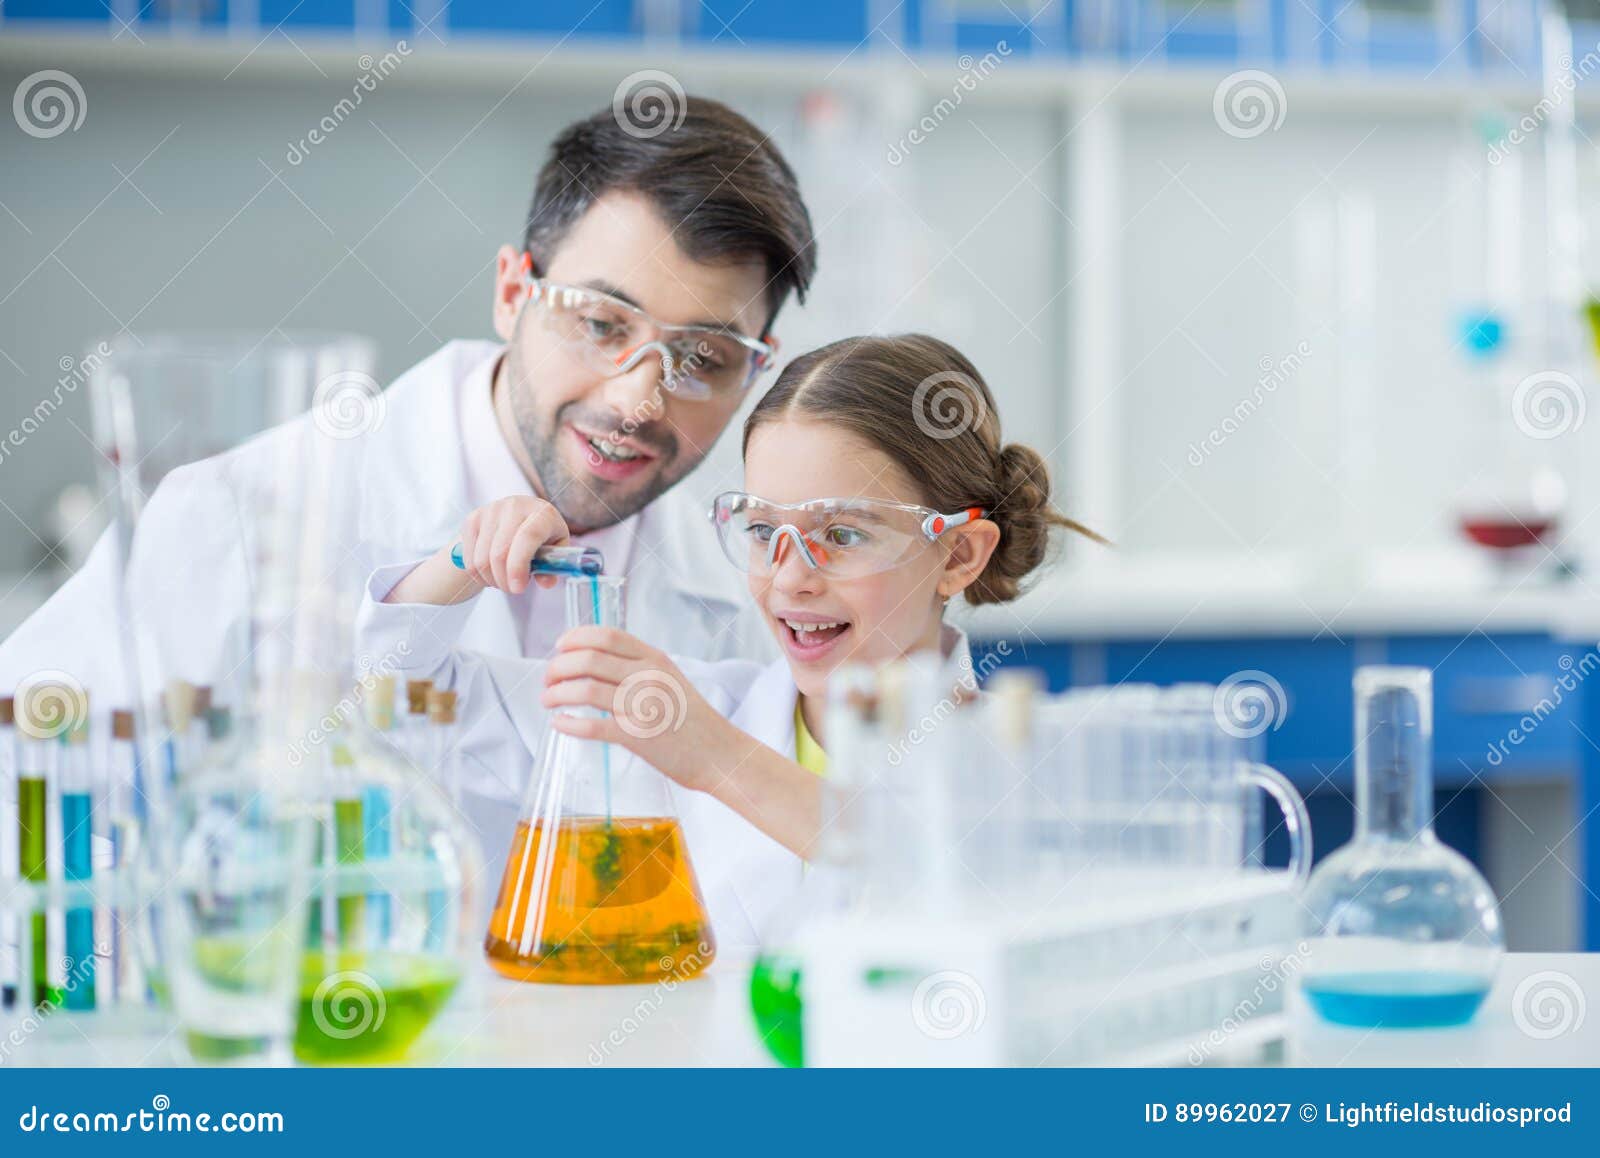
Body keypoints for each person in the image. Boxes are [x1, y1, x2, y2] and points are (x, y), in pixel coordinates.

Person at [0, 96, 817, 819]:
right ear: (511, 292)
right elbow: (24, 782)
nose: (640, 400)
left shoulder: (760, 599)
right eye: (603, 325)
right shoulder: (240, 512)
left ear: (756, 367)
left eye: (704, 359)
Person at [357, 334, 1106, 947]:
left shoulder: (1031, 760)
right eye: (761, 531)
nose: (790, 579)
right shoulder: (689, 709)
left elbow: (953, 882)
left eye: (841, 533)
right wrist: (459, 564)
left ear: (959, 555)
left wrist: (715, 755)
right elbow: (400, 701)